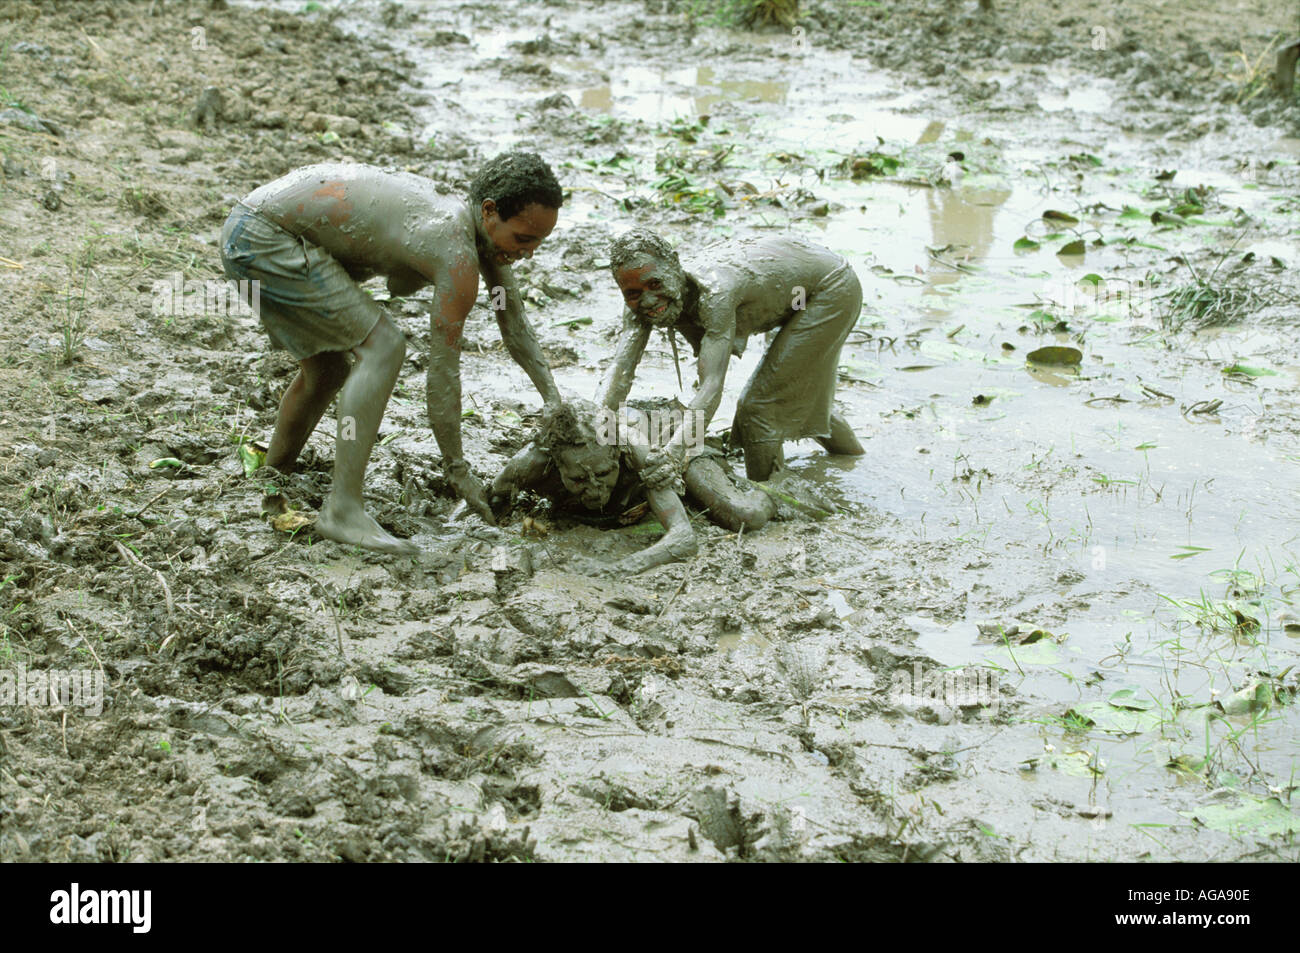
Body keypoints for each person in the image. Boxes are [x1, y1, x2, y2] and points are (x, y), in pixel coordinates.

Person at [219, 154, 564, 554]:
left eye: (539, 243)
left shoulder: (479, 234)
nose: (529, 254)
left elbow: (514, 324)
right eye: (523, 240)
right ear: (489, 212)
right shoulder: (456, 252)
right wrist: (458, 470)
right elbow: (443, 375)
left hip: (246, 231)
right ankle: (343, 510)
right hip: (262, 238)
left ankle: (275, 474)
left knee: (328, 368)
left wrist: (554, 402)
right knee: (383, 346)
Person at [598, 229, 865, 491]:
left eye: (655, 284)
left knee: (760, 409)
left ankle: (769, 499)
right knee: (793, 393)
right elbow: (620, 370)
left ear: (674, 267)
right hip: (795, 288)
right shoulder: (639, 302)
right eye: (633, 294)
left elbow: (712, 385)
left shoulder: (715, 294)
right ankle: (854, 461)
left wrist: (673, 454)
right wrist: (595, 424)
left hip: (824, 291)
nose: (648, 300)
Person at [490, 399, 776, 574]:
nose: (594, 488)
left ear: (618, 456)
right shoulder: (534, 462)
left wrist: (619, 568)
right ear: (556, 465)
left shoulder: (639, 454)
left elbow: (684, 538)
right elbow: (486, 501)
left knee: (745, 515)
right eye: (578, 479)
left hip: (674, 448)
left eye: (603, 474)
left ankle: (775, 488)